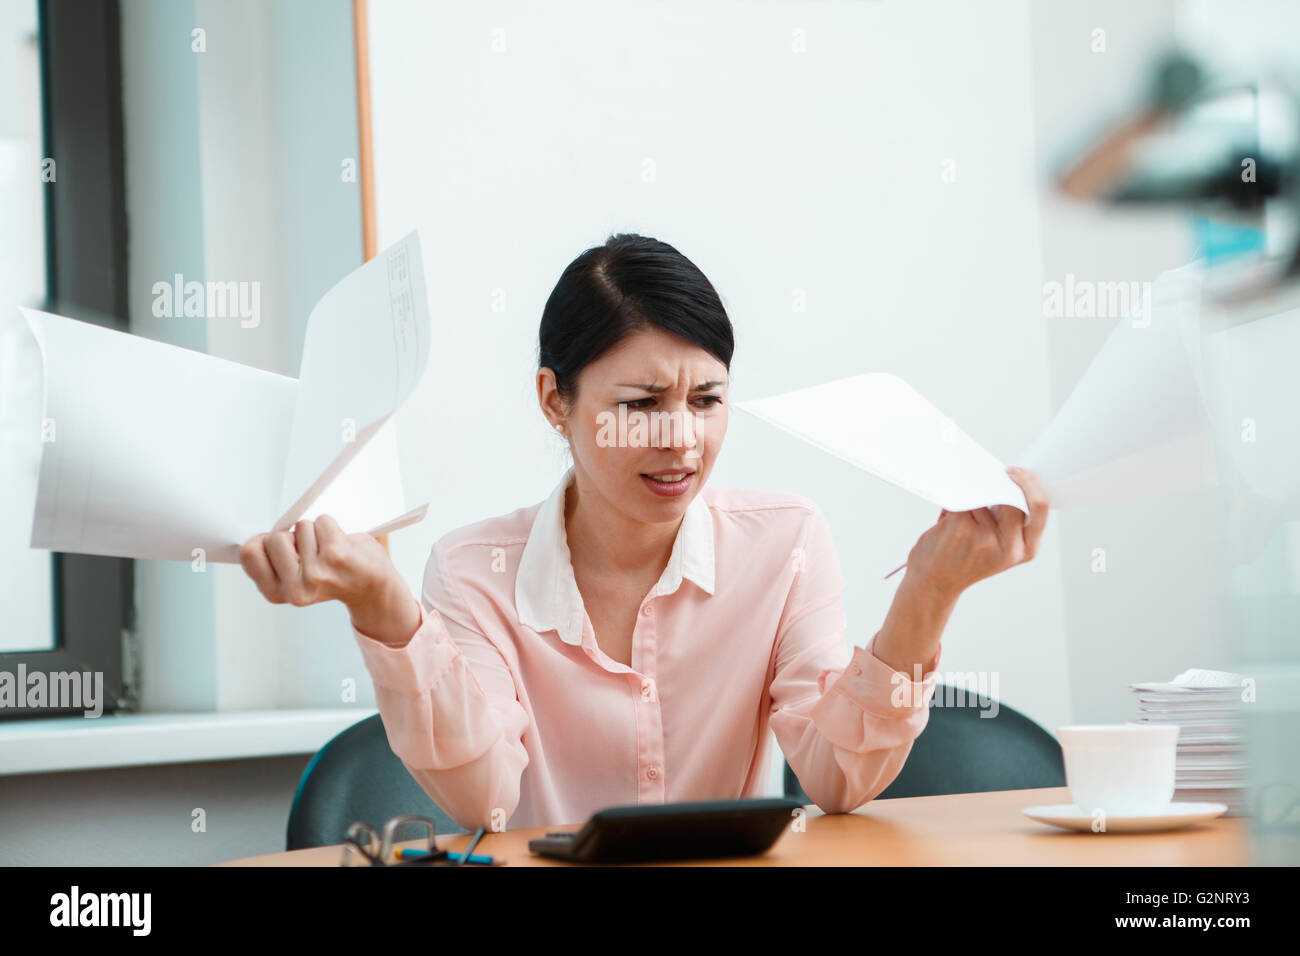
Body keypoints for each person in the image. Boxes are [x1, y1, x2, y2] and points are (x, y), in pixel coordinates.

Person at [239, 234, 1049, 831]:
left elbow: (837, 780)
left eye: (707, 400)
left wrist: (931, 589)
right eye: (642, 404)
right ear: (556, 401)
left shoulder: (786, 543)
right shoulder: (472, 570)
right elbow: (483, 796)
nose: (682, 441)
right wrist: (383, 605)